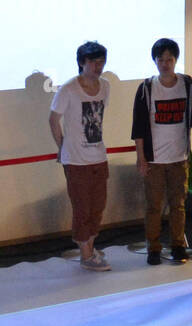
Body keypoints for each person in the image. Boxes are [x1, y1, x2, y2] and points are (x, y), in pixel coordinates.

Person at [131, 38, 192, 265]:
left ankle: (178, 246)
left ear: (176, 60)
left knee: (179, 205)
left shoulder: (188, 85)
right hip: (154, 159)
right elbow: (138, 127)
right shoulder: (147, 88)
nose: (165, 64)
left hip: (179, 158)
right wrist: (141, 158)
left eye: (169, 59)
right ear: (155, 61)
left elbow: (191, 121)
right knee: (153, 206)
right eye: (160, 59)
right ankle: (153, 247)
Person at [50, 42, 112, 272]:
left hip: (98, 156)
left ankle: (90, 248)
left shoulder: (106, 86)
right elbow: (53, 119)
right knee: (82, 208)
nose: (99, 66)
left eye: (101, 61)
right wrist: (62, 146)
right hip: (75, 160)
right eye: (93, 62)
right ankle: (86, 255)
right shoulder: (68, 89)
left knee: (98, 207)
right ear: (81, 63)